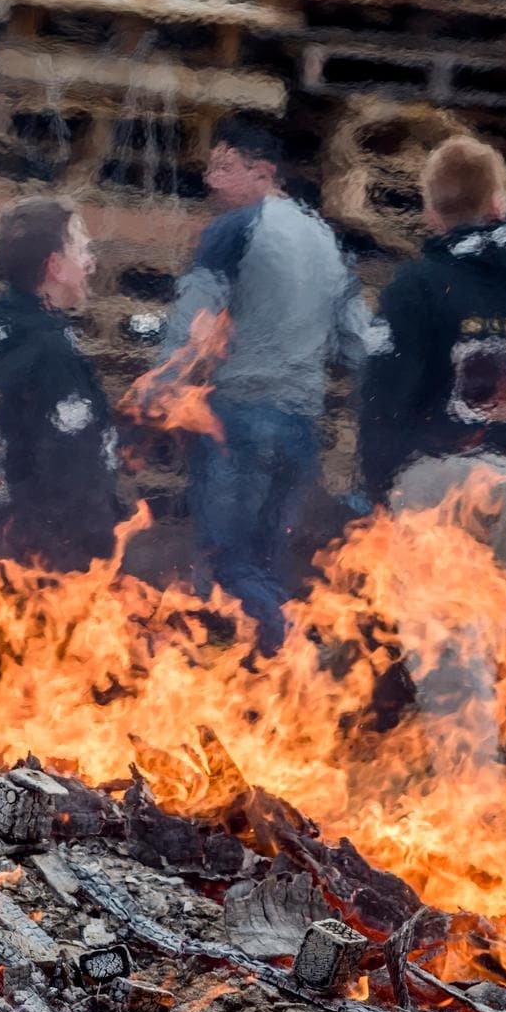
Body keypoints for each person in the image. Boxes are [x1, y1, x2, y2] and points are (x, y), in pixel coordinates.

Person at [360, 135, 506, 768]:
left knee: (446, 641)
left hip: (440, 478)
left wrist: (382, 487)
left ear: (431, 210)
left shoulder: (418, 287)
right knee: (479, 634)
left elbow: (383, 397)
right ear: (499, 201)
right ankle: (470, 769)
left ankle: (470, 795)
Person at [163, 115, 384, 653]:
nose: (211, 181)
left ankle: (286, 659)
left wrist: (159, 389)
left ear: (263, 172)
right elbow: (360, 340)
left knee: (228, 563)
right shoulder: (325, 240)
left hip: (237, 424)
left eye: (225, 168)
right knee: (266, 562)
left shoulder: (232, 231)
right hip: (298, 433)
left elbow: (193, 322)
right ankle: (278, 688)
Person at [0, 196, 121, 570]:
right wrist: (101, 529)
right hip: (54, 544)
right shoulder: (47, 349)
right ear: (54, 266)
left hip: (7, 525)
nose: (90, 263)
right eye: (82, 250)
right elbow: (72, 456)